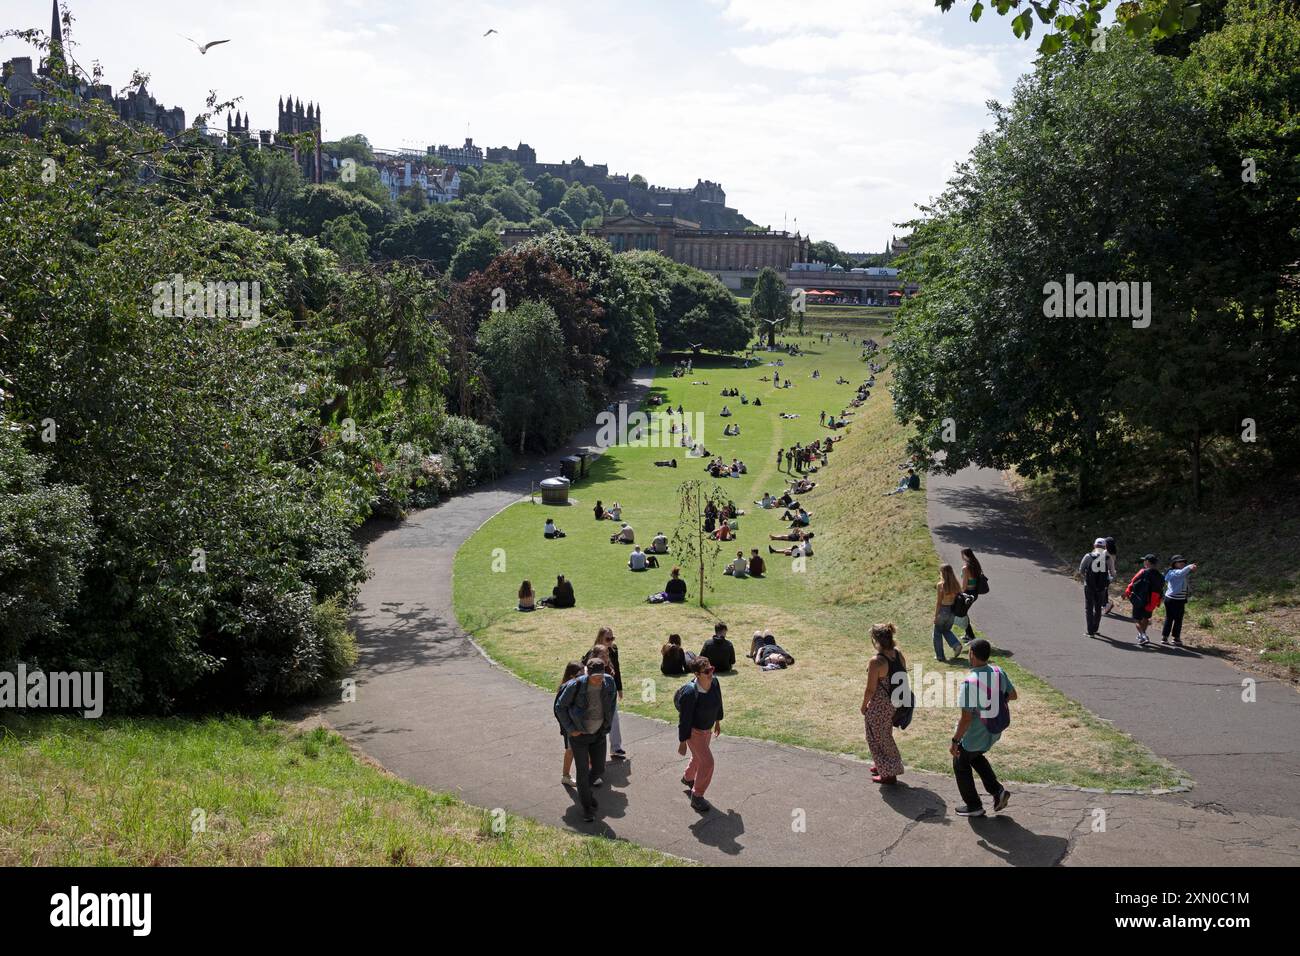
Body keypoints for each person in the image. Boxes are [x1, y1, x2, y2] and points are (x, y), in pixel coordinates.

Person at [950, 639, 1014, 817]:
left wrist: (955, 741)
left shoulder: (970, 683)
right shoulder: (998, 671)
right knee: (975, 756)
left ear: (971, 654)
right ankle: (998, 792)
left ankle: (974, 805)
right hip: (994, 730)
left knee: (960, 760)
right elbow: (1013, 695)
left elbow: (966, 718)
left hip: (976, 732)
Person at [554, 658, 617, 822]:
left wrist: (606, 727)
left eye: (601, 676)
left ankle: (585, 792)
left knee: (598, 769)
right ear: (587, 673)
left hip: (598, 734)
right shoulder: (576, 685)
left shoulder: (609, 683)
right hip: (579, 736)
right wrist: (571, 730)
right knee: (582, 772)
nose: (599, 679)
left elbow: (611, 704)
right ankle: (587, 808)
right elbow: (560, 707)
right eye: (595, 676)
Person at [677, 657, 724, 814]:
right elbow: (684, 719)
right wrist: (683, 741)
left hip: (707, 729)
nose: (711, 673)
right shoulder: (690, 692)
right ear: (697, 674)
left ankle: (688, 777)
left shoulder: (715, 683)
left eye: (711, 668)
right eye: (707, 671)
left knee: (698, 758)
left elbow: (718, 703)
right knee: (708, 762)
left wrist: (717, 721)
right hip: (694, 732)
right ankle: (697, 796)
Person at [861, 622, 906, 785]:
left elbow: (870, 689)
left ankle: (888, 774)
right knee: (884, 734)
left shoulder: (876, 661)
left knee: (877, 738)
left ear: (875, 640)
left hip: (880, 705)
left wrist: (864, 705)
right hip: (895, 703)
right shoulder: (898, 654)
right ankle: (882, 764)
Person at [586, 629, 627, 760]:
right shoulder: (593, 653)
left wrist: (619, 688)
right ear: (600, 639)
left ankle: (616, 748)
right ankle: (595, 755)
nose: (611, 642)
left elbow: (617, 669)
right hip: (596, 693)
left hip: (610, 691)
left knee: (614, 718)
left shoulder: (613, 650)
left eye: (612, 638)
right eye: (607, 639)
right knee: (598, 721)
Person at [1124, 554, 1165, 646]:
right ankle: (1141, 636)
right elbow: (1161, 589)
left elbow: (1132, 582)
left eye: (1144, 561)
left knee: (1137, 619)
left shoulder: (1143, 571)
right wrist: (1158, 601)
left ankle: (1143, 635)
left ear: (1147, 562)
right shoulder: (1160, 575)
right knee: (1146, 618)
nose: (1143, 562)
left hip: (1140, 599)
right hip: (1152, 601)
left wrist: (1127, 593)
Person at [1078, 537, 1115, 638]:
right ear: (1105, 547)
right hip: (1101, 587)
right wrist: (1107, 581)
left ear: (1094, 546)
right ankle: (1095, 629)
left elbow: (1081, 570)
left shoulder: (1088, 556)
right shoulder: (1108, 558)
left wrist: (1087, 578)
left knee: (1089, 607)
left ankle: (1090, 631)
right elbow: (1113, 573)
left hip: (1089, 586)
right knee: (1098, 608)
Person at [555, 661, 583, 787]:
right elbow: (558, 710)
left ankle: (590, 774)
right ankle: (565, 776)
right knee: (570, 751)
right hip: (570, 728)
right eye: (580, 674)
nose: (583, 676)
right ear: (572, 676)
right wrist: (569, 728)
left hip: (580, 725)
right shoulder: (565, 688)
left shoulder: (581, 685)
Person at [1161, 555, 1198, 646]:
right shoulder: (1172, 572)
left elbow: (1183, 577)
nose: (1182, 563)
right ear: (1174, 564)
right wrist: (1189, 567)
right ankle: (1165, 637)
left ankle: (1176, 638)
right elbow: (1180, 573)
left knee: (1178, 619)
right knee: (1169, 618)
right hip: (1171, 600)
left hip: (1181, 600)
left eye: (1183, 562)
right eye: (1179, 562)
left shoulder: (1182, 572)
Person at [933, 564, 963, 661]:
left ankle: (940, 656)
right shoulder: (956, 584)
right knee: (946, 630)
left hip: (943, 610)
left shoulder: (941, 585)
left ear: (943, 573)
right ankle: (956, 645)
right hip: (952, 611)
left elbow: (939, 602)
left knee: (937, 632)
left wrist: (936, 615)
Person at [959, 548, 983, 642]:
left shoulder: (965, 568)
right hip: (975, 593)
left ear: (964, 555)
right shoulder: (976, 565)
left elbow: (964, 585)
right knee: (964, 613)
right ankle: (967, 635)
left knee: (963, 613)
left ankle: (971, 636)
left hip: (967, 594)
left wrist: (959, 593)